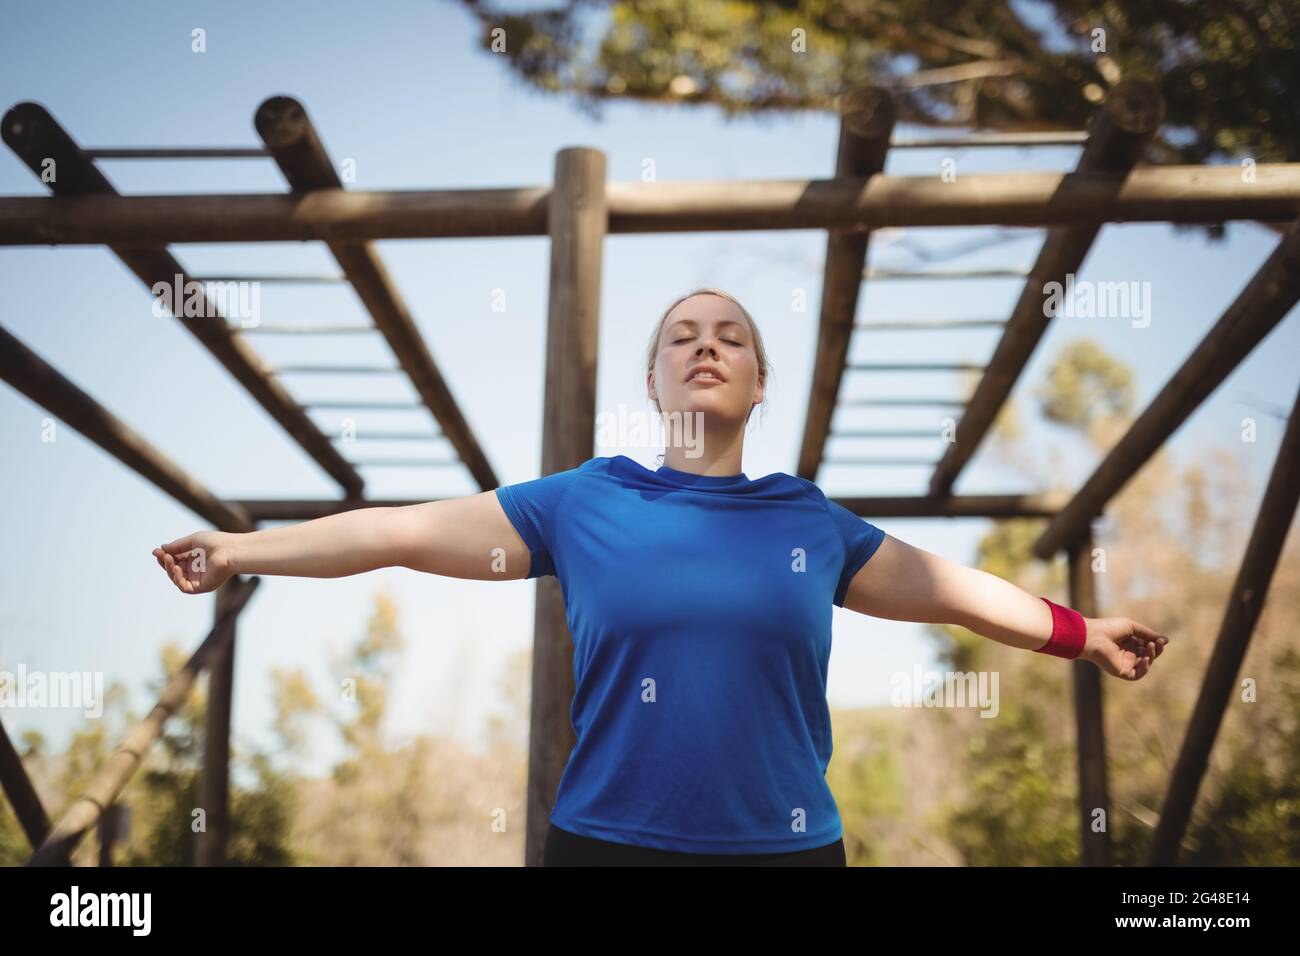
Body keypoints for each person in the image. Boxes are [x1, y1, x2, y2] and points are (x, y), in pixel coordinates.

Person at [153, 287, 1170, 867]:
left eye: (730, 336)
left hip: (788, 849)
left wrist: (1086, 630)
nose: (704, 347)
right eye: (680, 336)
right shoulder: (583, 502)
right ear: (651, 381)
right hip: (606, 845)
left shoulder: (808, 520)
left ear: (760, 383)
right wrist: (243, 549)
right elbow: (396, 531)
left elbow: (956, 590)